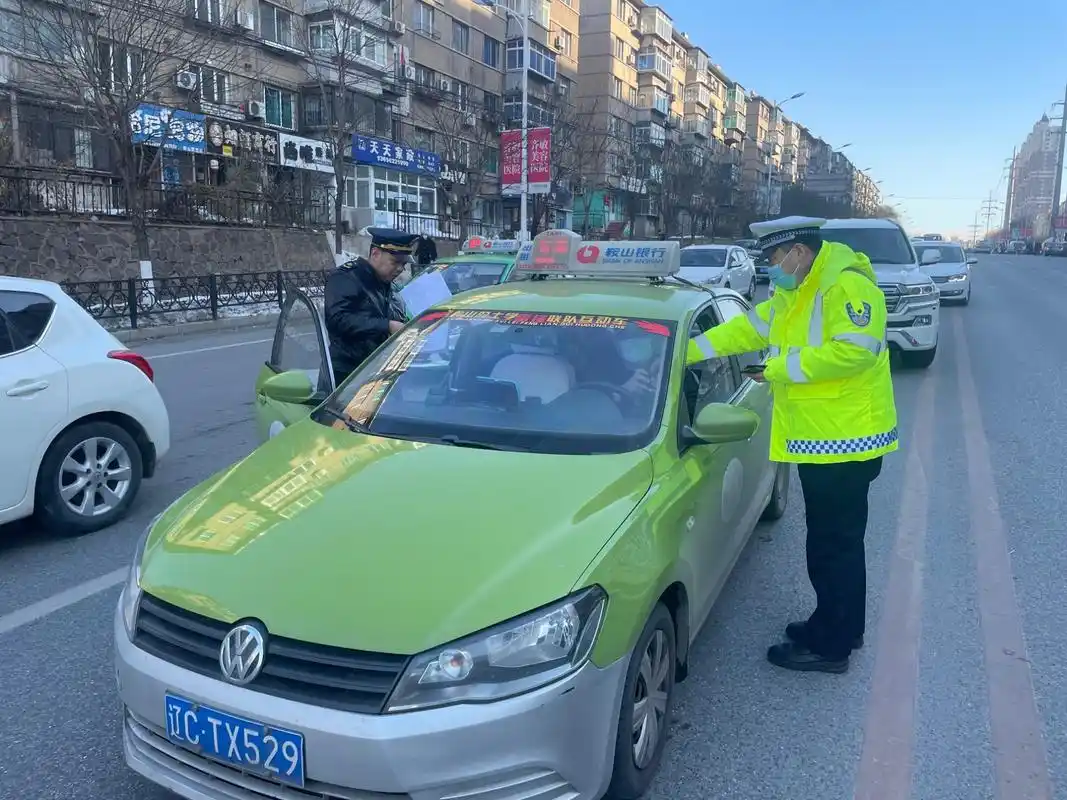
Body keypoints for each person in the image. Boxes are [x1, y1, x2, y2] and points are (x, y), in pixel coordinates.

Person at [686, 215, 898, 674]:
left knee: (832, 546)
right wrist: (686, 349)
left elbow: (856, 351)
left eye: (774, 257)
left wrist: (777, 370)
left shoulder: (845, 284)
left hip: (846, 440)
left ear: (799, 253)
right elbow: (746, 330)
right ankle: (841, 626)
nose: (771, 266)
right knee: (837, 542)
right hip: (826, 438)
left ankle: (830, 647)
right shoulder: (797, 290)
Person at [324, 227, 417, 387]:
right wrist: (386, 326)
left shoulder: (386, 282)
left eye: (403, 264)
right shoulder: (346, 278)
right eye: (395, 262)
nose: (400, 269)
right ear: (375, 254)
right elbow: (337, 319)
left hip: (379, 371)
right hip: (347, 377)